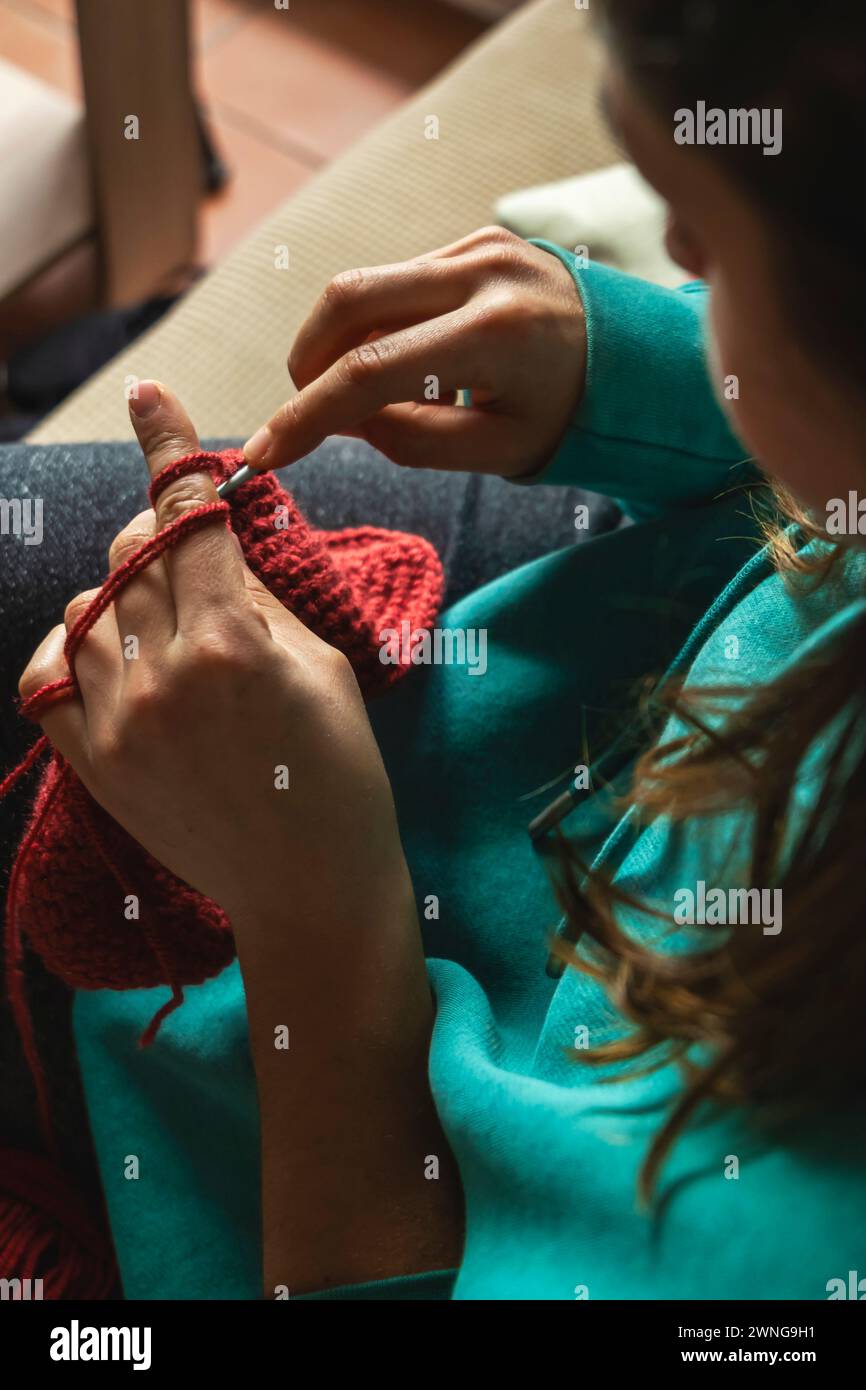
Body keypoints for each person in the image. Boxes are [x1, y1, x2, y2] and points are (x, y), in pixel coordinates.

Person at [5, 0, 866, 1298]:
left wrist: (315, 908)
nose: (671, 249)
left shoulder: (770, 1253)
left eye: (710, 245)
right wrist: (662, 368)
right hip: (613, 651)